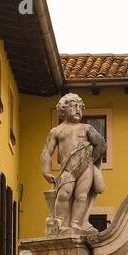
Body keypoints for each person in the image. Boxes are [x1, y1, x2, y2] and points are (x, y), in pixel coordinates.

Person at [40, 93, 106, 234]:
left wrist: (90, 159)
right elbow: (47, 151)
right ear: (64, 109)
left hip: (86, 167)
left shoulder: (86, 128)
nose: (78, 109)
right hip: (67, 168)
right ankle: (59, 222)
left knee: (81, 196)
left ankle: (76, 223)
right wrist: (45, 172)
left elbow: (101, 145)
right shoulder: (57, 131)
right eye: (73, 106)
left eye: (80, 107)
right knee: (64, 193)